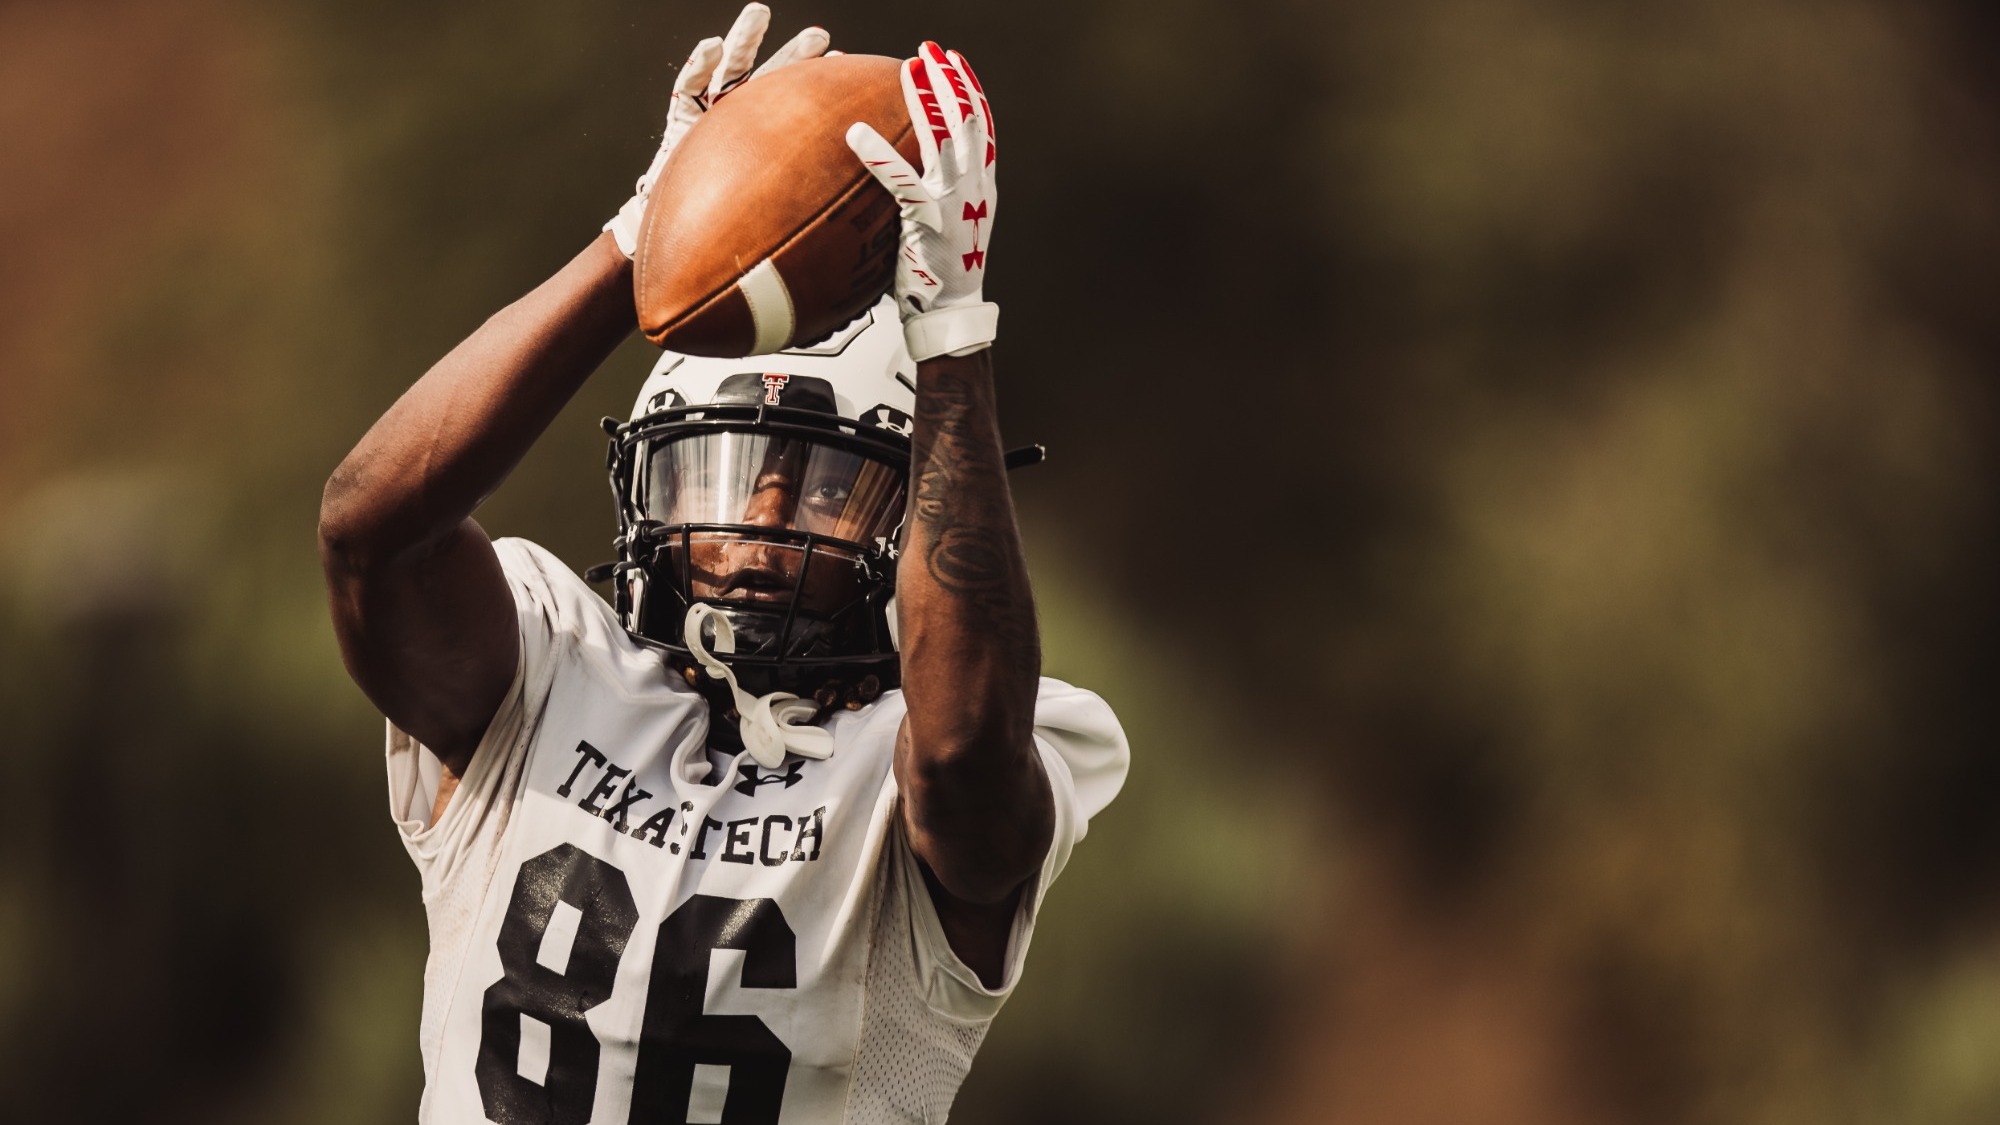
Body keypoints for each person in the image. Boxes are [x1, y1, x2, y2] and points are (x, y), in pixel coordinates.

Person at [315, 5, 1128, 1122]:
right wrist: (635, 240)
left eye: (827, 483)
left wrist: (951, 347)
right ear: (647, 479)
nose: (760, 522)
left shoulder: (946, 746)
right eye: (726, 471)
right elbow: (371, 531)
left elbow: (957, 772)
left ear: (914, 508)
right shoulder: (542, 675)